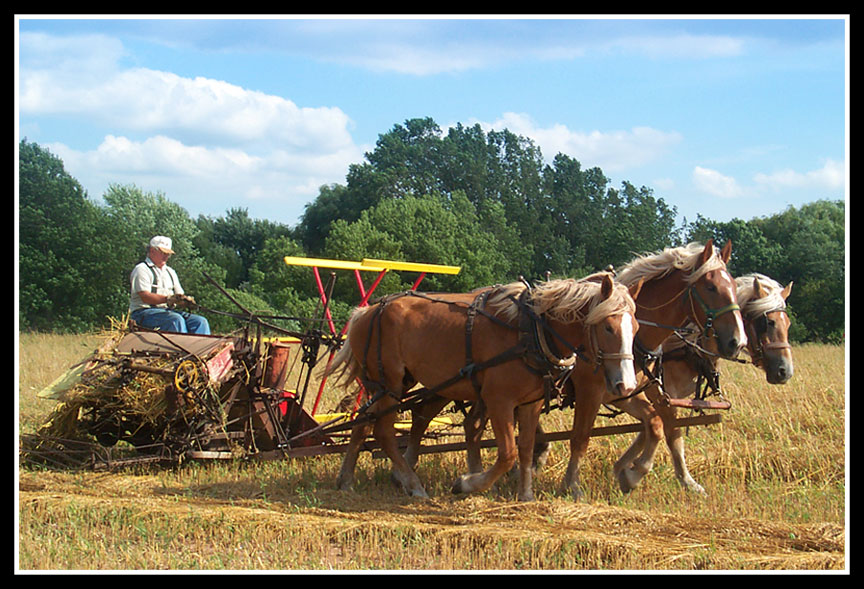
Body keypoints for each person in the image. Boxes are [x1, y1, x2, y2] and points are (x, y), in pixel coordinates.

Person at [129, 236, 210, 335]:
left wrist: (186, 301)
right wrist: (168, 299)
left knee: (200, 322)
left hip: (166, 312)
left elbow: (179, 294)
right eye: (163, 253)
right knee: (175, 320)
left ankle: (203, 349)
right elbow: (145, 296)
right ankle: (183, 349)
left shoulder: (170, 272)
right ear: (152, 250)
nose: (166, 256)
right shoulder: (142, 269)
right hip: (143, 313)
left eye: (168, 254)